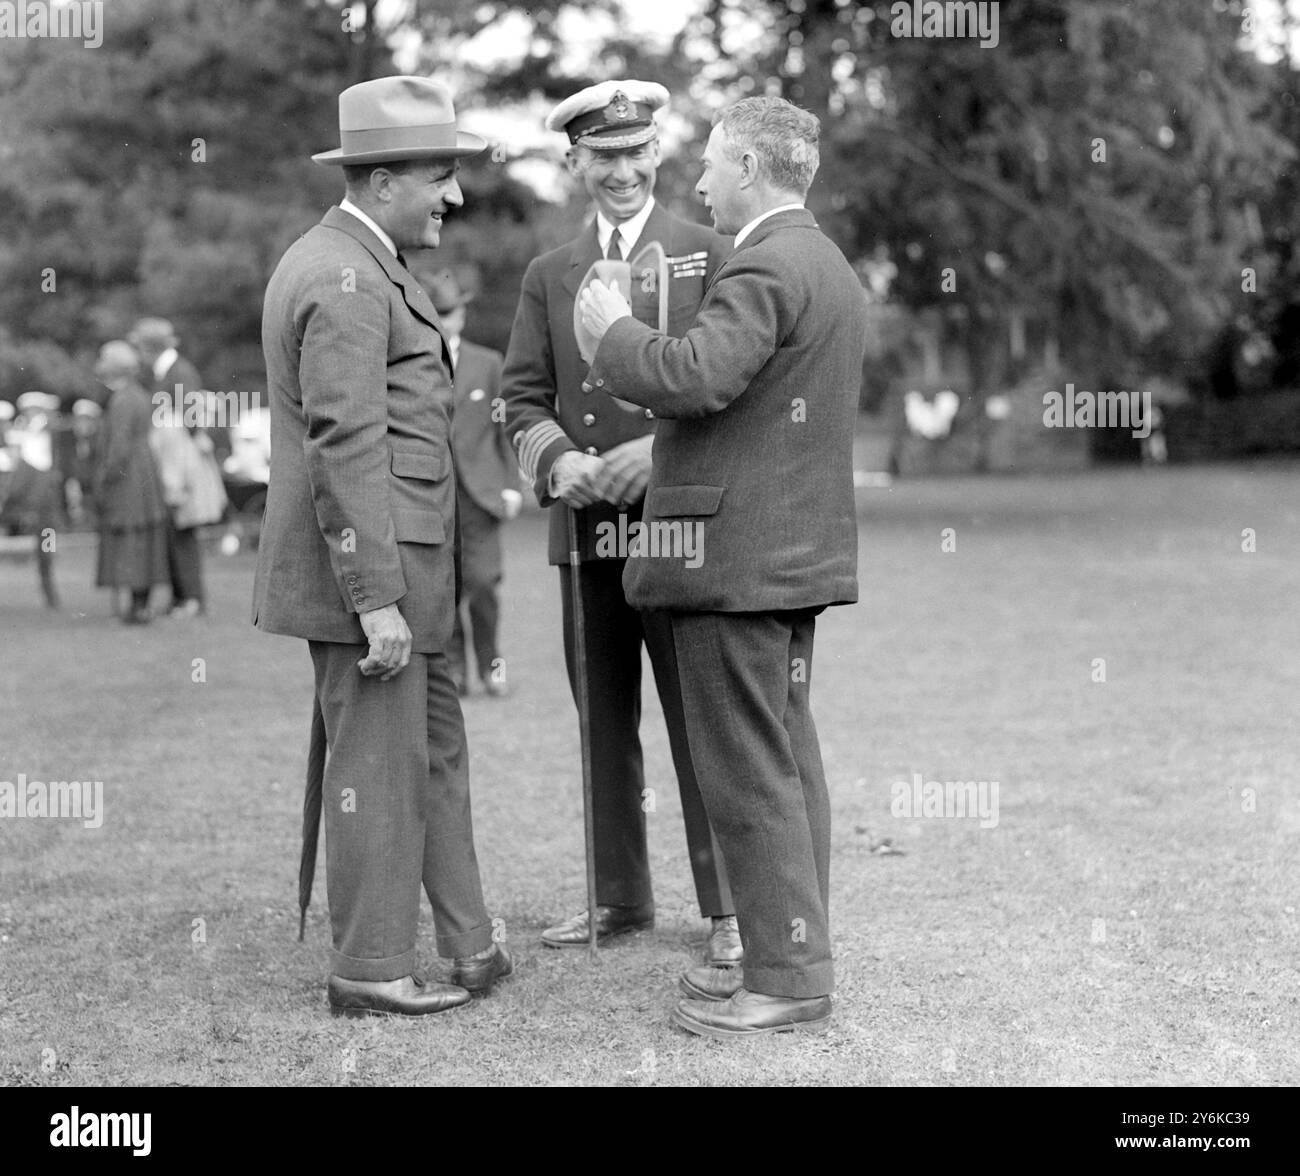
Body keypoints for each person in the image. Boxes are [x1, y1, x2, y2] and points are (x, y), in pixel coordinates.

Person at [578, 96, 868, 1037]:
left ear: (747, 165)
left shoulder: (767, 260)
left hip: (735, 562)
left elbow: (697, 376)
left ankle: (784, 980)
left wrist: (611, 334)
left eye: (708, 165)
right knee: (785, 762)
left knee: (747, 774)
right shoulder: (825, 262)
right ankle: (796, 956)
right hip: (790, 559)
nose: (697, 183)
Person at [253, 75, 510, 1018]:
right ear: (384, 180)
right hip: (377, 583)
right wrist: (372, 597)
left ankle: (469, 943)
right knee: (376, 770)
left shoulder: (368, 262)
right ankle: (369, 966)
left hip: (413, 575)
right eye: (441, 176)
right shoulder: (345, 276)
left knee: (433, 753)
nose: (454, 195)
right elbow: (345, 442)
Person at [502, 79, 742, 964]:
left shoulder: (711, 254)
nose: (623, 170)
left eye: (637, 152)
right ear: (576, 163)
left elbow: (727, 385)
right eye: (603, 156)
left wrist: (663, 453)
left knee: (698, 718)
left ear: (658, 154)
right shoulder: (547, 275)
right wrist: (557, 458)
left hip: (681, 526)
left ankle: (727, 908)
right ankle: (618, 899)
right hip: (588, 531)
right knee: (602, 719)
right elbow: (519, 399)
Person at [412, 266, 522, 698]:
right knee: (446, 589)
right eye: (436, 313)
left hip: (482, 494)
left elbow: (505, 428)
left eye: (450, 312)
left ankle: (492, 664)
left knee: (483, 583)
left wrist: (512, 485)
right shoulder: (414, 364)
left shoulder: (487, 363)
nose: (445, 321)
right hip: (433, 495)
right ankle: (455, 671)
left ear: (462, 315)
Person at [129, 318, 219, 617]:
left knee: (183, 532)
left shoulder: (179, 373)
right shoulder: (169, 372)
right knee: (174, 532)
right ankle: (183, 598)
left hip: (180, 465)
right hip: (173, 462)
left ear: (149, 348)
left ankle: (192, 599)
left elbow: (190, 424)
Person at [92, 342, 170, 624]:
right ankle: (140, 606)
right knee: (142, 541)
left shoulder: (123, 399)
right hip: (142, 474)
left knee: (132, 541)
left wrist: (105, 478)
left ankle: (137, 609)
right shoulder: (137, 394)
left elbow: (119, 448)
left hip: (129, 478)